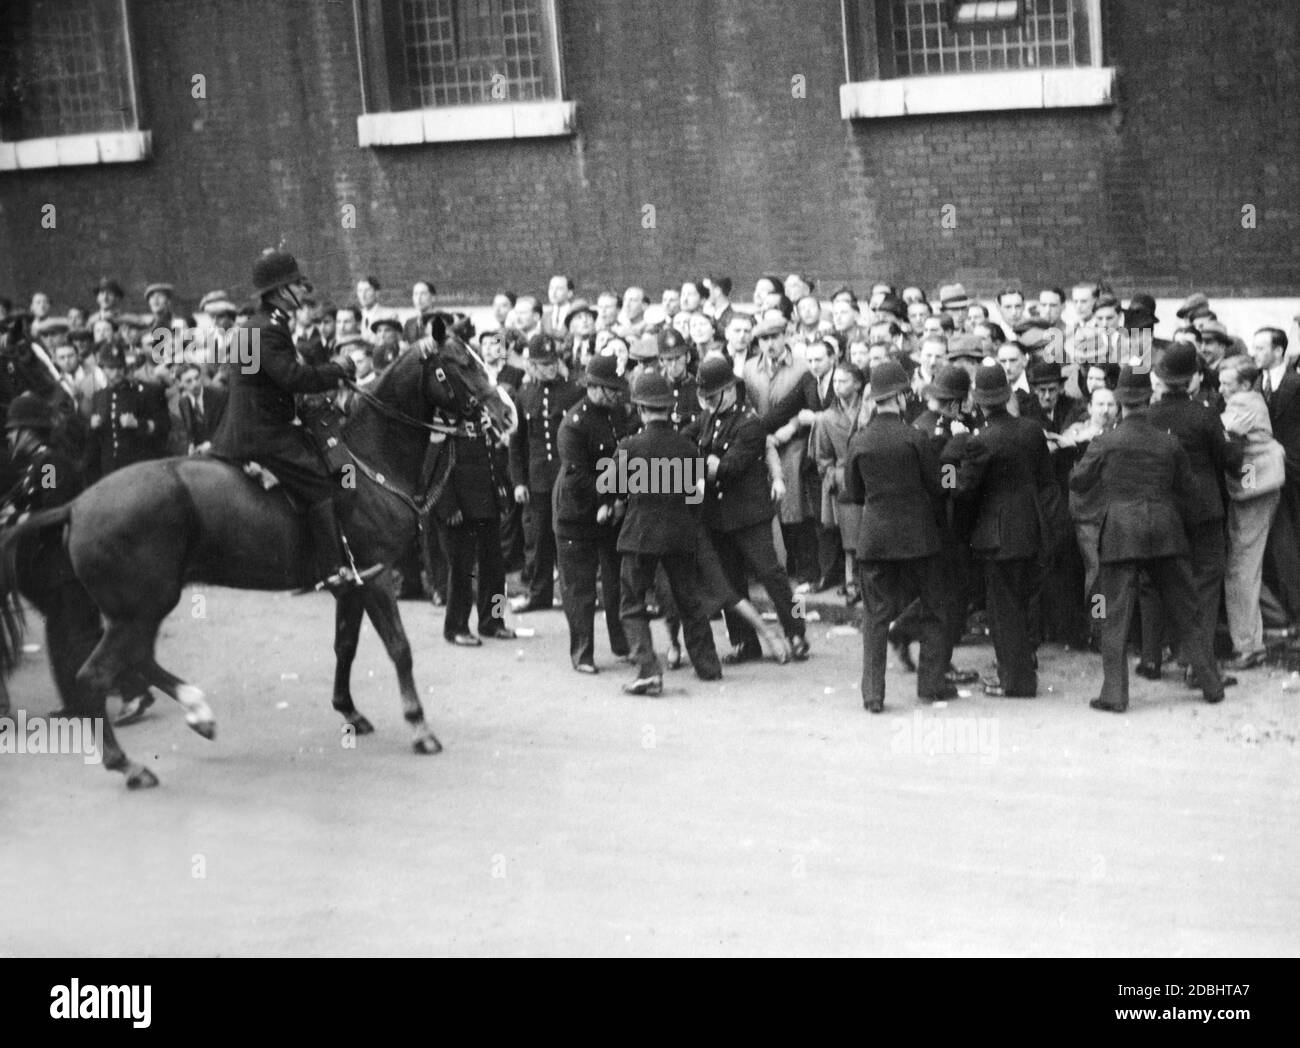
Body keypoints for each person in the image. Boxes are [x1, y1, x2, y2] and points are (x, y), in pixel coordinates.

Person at [209, 250, 369, 593]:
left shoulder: (257, 325)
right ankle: (333, 569)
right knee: (321, 480)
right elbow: (292, 376)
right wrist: (338, 369)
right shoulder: (268, 329)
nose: (303, 291)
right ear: (282, 291)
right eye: (297, 284)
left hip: (251, 423)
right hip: (261, 432)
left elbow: (265, 381)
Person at [1069, 366, 1225, 712]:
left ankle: (1115, 694)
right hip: (1166, 529)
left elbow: (1079, 481)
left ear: (1121, 401)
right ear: (1148, 398)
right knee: (1188, 610)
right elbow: (1188, 487)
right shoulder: (1168, 442)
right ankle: (1211, 683)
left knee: (1113, 614)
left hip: (1122, 532)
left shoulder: (1106, 441)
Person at [843, 361, 954, 712]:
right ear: (901, 397)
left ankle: (873, 694)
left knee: (875, 617)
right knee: (936, 608)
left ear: (876, 400)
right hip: (918, 537)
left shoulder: (859, 440)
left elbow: (854, 493)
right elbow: (938, 486)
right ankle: (931, 684)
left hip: (874, 538)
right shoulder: (916, 437)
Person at [686, 356, 809, 663]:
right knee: (730, 583)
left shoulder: (749, 424)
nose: (706, 403)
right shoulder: (708, 419)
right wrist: (702, 463)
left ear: (729, 390)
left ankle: (798, 631)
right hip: (718, 515)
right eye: (703, 397)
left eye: (711, 397)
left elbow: (730, 468)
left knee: (773, 576)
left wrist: (704, 465)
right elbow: (685, 441)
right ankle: (744, 641)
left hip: (749, 514)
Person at [613, 371, 723, 696]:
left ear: (641, 409)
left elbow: (615, 493)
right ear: (668, 408)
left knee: (632, 603)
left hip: (640, 535)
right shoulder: (689, 447)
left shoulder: (628, 446)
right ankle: (708, 666)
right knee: (690, 601)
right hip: (680, 534)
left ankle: (648, 669)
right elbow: (697, 497)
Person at [955, 365, 1062, 697]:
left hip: (996, 536)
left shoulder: (979, 440)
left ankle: (1015, 681)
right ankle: (1018, 673)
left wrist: (949, 464)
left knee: (1003, 613)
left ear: (979, 401)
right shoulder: (1031, 430)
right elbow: (1046, 480)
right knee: (1020, 605)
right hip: (1031, 527)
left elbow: (963, 490)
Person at [1144, 343, 1239, 686]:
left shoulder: (1149, 416)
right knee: (1206, 584)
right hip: (1204, 513)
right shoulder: (1204, 414)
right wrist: (1236, 445)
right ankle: (1196, 665)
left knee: (1162, 584)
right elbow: (1232, 460)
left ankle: (1153, 658)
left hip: (1164, 512)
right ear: (1191, 379)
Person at [553, 355, 632, 673]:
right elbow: (576, 477)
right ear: (594, 388)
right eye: (611, 389)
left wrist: (617, 501)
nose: (617, 395)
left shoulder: (617, 413)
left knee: (617, 583)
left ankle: (622, 643)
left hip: (610, 511)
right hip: (576, 513)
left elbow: (624, 458)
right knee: (579, 588)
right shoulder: (573, 423)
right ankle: (582, 653)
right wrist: (604, 501)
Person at [508, 333, 583, 613]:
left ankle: (571, 594)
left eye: (553, 362)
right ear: (532, 366)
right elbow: (517, 443)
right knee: (539, 539)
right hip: (538, 478)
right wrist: (518, 481)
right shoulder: (524, 395)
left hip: (567, 477)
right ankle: (539, 594)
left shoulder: (574, 391)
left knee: (568, 537)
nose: (550, 368)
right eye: (543, 363)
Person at [1218, 360, 1286, 669]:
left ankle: (1248, 647)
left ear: (1244, 385)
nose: (1221, 389)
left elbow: (1217, 430)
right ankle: (1277, 621)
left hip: (1255, 490)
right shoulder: (1248, 398)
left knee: (1240, 568)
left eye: (1227, 383)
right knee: (1248, 562)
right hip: (1257, 485)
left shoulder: (1243, 402)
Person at [1253, 327, 1300, 632]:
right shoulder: (1257, 385)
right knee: (1279, 544)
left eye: (1261, 348)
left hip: (1294, 474)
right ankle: (1290, 610)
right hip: (1266, 476)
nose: (1255, 353)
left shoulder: (1296, 384)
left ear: (1279, 351)